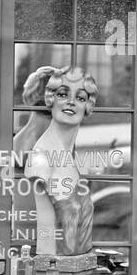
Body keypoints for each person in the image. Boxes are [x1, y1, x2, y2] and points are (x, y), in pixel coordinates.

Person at [22, 64, 98, 257]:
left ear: (88, 105)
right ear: (50, 99)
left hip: (80, 273)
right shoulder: (41, 159)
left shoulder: (68, 159)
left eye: (80, 97)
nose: (71, 102)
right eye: (63, 94)